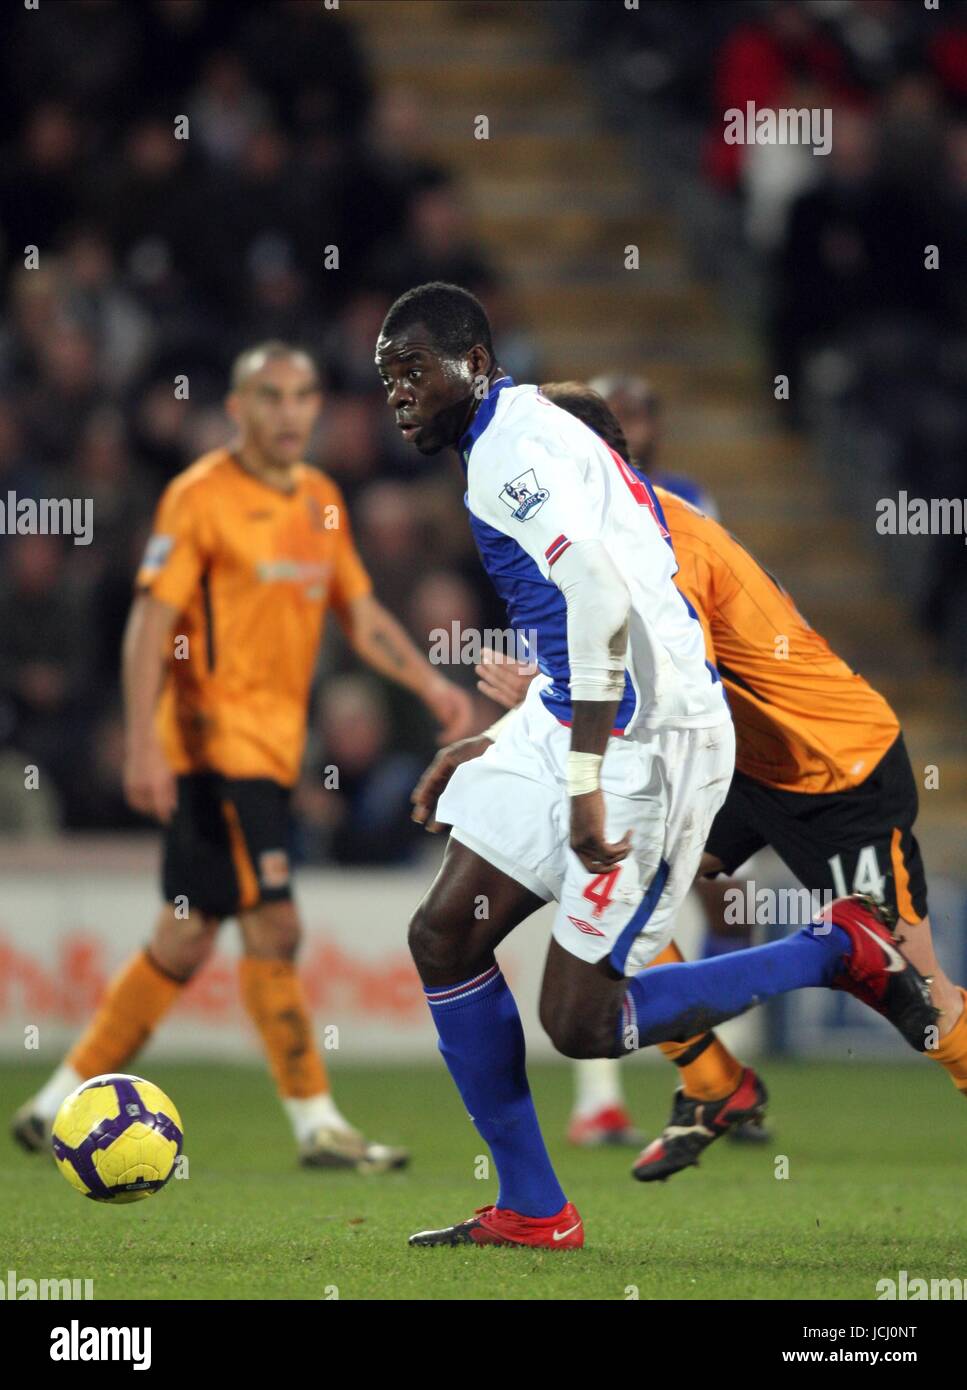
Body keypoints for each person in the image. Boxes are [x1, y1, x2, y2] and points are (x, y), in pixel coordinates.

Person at [375, 282, 936, 1249]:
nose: (397, 392)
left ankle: (835, 948)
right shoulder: (518, 430)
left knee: (581, 1021)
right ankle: (534, 1211)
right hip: (574, 714)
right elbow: (579, 612)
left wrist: (586, 776)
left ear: (474, 359)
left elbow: (594, 593)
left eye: (415, 369)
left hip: (650, 741)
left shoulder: (512, 449)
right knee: (443, 936)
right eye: (387, 376)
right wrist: (496, 739)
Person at [467, 378, 967, 1184]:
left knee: (921, 1000)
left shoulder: (667, 544)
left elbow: (661, 690)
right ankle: (713, 1085)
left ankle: (741, 1072)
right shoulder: (609, 538)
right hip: (742, 763)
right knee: (602, 878)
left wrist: (528, 706)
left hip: (834, 768)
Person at [13, 340, 473, 1173]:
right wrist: (146, 742)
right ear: (236, 408)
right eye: (270, 396)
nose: (290, 412)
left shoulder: (323, 500)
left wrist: (430, 683)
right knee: (277, 925)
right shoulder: (199, 498)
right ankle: (317, 1126)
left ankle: (53, 1105)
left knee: (186, 936)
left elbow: (359, 611)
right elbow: (151, 624)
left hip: (270, 757)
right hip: (214, 751)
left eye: (303, 396)